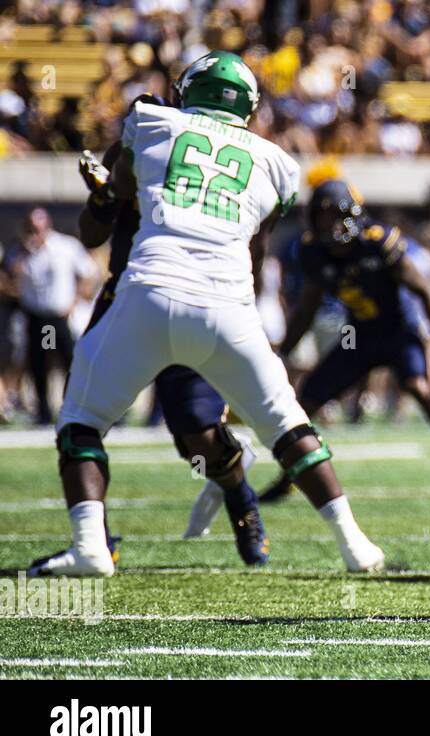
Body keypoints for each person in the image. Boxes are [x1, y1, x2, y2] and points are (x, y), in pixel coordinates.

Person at [33, 51, 383, 577]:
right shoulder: (274, 161)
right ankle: (355, 544)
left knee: (81, 422)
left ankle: (90, 547)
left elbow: (114, 198)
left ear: (187, 91)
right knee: (287, 424)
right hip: (227, 304)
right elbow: (256, 247)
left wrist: (109, 190)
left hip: (147, 290)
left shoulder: (151, 121)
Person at [32, 129, 269, 573]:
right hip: (128, 298)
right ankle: (93, 542)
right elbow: (90, 235)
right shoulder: (141, 142)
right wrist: (106, 199)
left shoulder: (221, 159)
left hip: (196, 298)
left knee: (198, 435)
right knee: (81, 416)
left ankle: (241, 499)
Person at [258, 178, 430, 502]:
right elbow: (308, 305)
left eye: (332, 215)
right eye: (322, 216)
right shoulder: (313, 250)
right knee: (305, 401)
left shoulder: (377, 241)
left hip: (398, 332)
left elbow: (426, 290)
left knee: (419, 388)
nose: (328, 223)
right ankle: (289, 477)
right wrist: (284, 350)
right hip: (359, 337)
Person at [7, 207, 98, 425]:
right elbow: (12, 277)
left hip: (58, 318)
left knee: (69, 361)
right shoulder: (21, 251)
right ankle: (44, 411)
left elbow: (88, 273)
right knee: (40, 364)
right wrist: (25, 253)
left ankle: (79, 406)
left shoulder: (65, 246)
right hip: (36, 317)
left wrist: (75, 299)